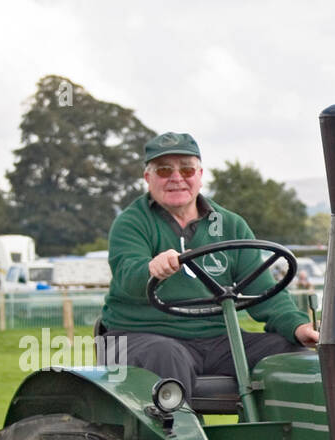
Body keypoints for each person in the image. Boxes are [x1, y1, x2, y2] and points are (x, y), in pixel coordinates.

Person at [100, 131, 320, 396]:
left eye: (187, 170)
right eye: (164, 170)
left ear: (200, 175)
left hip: (216, 339)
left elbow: (265, 292)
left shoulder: (230, 224)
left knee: (292, 357)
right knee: (166, 355)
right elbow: (129, 276)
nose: (176, 178)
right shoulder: (132, 223)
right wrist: (151, 269)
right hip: (138, 335)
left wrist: (297, 326)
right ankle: (178, 435)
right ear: (148, 178)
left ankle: (267, 436)